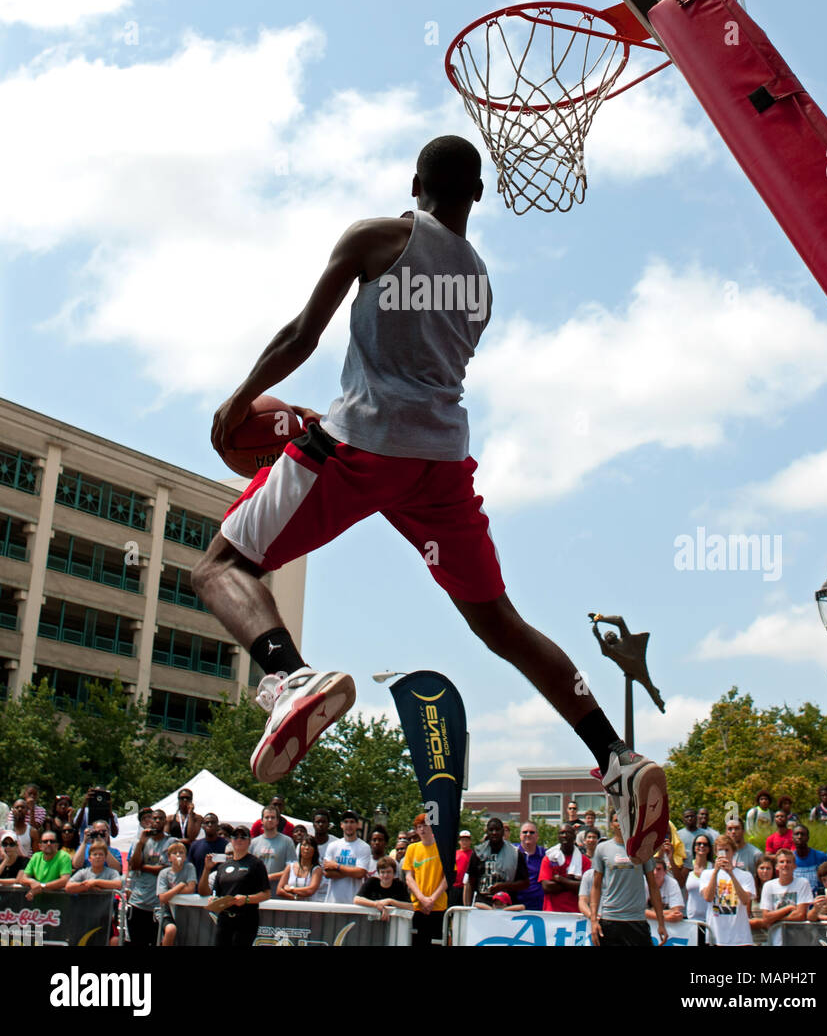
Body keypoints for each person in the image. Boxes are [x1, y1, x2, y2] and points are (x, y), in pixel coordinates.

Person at [195, 137, 669, 863]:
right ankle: (616, 762)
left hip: (360, 446)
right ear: (475, 195)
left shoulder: (377, 236)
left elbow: (301, 335)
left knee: (222, 566)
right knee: (501, 625)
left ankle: (288, 675)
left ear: (415, 184)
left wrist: (236, 406)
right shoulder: (480, 285)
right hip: (440, 464)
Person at [591, 810, 667, 948]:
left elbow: (653, 886)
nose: (620, 824)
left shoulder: (643, 849)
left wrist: (661, 923)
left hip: (636, 920)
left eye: (624, 820)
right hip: (610, 919)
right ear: (611, 824)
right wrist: (593, 921)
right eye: (616, 820)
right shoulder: (602, 849)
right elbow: (596, 886)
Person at [199, 825, 270, 947]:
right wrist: (214, 899)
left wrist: (246, 899)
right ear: (231, 840)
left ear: (249, 841)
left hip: (246, 919)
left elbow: (266, 894)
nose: (239, 840)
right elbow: (216, 892)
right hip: (225, 918)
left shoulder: (256, 864)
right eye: (235, 837)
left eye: (243, 837)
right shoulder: (223, 866)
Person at [126, 808, 172, 947]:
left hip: (157, 905)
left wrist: (143, 866)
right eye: (154, 818)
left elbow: (165, 869)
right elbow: (133, 865)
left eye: (160, 818)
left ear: (165, 821)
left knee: (154, 941)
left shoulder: (170, 841)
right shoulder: (140, 841)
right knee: (136, 942)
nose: (157, 821)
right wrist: (141, 843)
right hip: (138, 900)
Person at [402, 813, 448, 947]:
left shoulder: (443, 848)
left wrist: (431, 899)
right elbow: (409, 877)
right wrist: (422, 899)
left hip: (438, 906)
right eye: (419, 826)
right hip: (418, 907)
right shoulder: (412, 848)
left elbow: (447, 878)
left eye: (425, 825)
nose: (422, 829)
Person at [700, 835, 755, 946]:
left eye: (727, 850)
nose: (724, 854)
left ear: (733, 852)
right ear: (716, 852)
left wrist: (731, 874)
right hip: (716, 936)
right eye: (720, 850)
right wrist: (715, 872)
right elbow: (708, 897)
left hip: (740, 937)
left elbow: (745, 900)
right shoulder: (707, 874)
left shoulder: (745, 875)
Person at [464, 816, 529, 907]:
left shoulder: (515, 853)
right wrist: (467, 907)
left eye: (497, 830)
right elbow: (470, 882)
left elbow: (525, 883)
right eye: (491, 830)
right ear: (487, 832)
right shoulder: (478, 852)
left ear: (503, 831)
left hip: (506, 905)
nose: (494, 833)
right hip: (482, 905)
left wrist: (504, 886)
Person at [759, 849, 812, 944]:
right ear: (776, 866)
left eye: (789, 862)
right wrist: (788, 909)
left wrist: (775, 920)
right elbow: (766, 917)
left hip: (798, 940)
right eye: (782, 862)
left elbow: (800, 915)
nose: (785, 865)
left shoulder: (802, 883)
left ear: (794, 866)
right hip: (776, 941)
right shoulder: (768, 886)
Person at [322, 811, 373, 904]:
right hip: (332, 902)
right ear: (341, 825)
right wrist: (352, 872)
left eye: (352, 822)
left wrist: (337, 866)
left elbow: (360, 873)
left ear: (357, 825)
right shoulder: (333, 845)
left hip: (353, 902)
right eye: (346, 822)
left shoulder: (364, 847)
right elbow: (327, 873)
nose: (349, 825)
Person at [156, 841, 197, 946]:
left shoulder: (190, 868)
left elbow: (191, 889)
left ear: (185, 856)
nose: (178, 855)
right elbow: (163, 897)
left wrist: (171, 891)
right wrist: (180, 885)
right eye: (175, 853)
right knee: (171, 930)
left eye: (181, 852)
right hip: (166, 912)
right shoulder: (164, 873)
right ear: (169, 858)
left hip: (185, 911)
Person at [539, 824, 586, 913]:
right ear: (558, 837)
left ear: (574, 836)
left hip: (576, 914)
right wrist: (571, 882)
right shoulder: (549, 858)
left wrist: (559, 879)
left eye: (568, 833)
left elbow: (584, 888)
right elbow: (547, 887)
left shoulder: (585, 861)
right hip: (552, 913)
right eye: (561, 833)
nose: (564, 835)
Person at [251, 805, 296, 896]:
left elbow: (292, 869)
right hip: (258, 894)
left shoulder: (287, 842)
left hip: (279, 894)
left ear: (277, 821)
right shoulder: (253, 843)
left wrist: (270, 877)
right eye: (267, 817)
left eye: (273, 817)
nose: (270, 820)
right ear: (262, 821)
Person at [355, 855, 413, 921]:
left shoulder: (400, 885)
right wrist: (376, 904)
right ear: (378, 873)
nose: (385, 875)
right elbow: (357, 899)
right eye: (382, 872)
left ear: (394, 873)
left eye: (388, 872)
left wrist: (390, 901)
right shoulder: (371, 882)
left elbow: (411, 906)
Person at [22, 829, 72, 899]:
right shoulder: (36, 856)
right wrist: (32, 882)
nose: (49, 844)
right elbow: (23, 878)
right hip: (38, 904)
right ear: (40, 846)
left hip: (58, 904)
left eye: (52, 841)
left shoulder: (64, 856)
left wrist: (42, 886)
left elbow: (64, 880)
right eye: (45, 841)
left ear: (57, 845)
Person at [685, 833, 714, 944]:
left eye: (705, 844)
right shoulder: (688, 868)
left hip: (710, 921)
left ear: (709, 848)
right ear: (694, 847)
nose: (702, 846)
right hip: (692, 921)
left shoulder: (713, 867)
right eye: (698, 844)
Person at [276, 837, 324, 902]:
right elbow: (279, 890)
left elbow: (311, 890)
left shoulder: (317, 870)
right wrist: (294, 897)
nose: (307, 848)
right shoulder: (290, 867)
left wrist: (291, 889)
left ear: (314, 850)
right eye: (304, 845)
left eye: (310, 845)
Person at [791, 824, 827, 897]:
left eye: (802, 834)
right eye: (797, 834)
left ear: (808, 838)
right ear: (792, 838)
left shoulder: (821, 857)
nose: (799, 836)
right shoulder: (789, 859)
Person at [517, 821, 547, 911]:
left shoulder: (545, 854)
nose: (528, 834)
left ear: (537, 836)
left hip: (539, 906)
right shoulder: (512, 852)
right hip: (516, 905)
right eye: (525, 832)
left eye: (532, 832)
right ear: (520, 835)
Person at [188, 813, 227, 879]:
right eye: (207, 822)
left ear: (217, 825)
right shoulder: (195, 846)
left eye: (213, 822)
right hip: (199, 887)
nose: (210, 825)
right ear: (202, 826)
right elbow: (190, 869)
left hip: (220, 886)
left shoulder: (226, 845)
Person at [645, 858, 684, 924]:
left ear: (665, 872)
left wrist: (650, 912)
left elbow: (676, 911)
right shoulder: (642, 882)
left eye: (658, 869)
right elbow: (637, 911)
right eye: (652, 869)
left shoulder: (672, 883)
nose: (655, 872)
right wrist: (664, 918)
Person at [748, 854, 775, 946]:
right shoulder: (751, 890)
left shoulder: (778, 889)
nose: (765, 871)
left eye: (768, 868)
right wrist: (763, 922)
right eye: (762, 868)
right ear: (757, 870)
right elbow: (745, 918)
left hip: (774, 938)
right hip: (756, 939)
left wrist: (760, 922)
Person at [453, 829, 474, 906]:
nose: (464, 842)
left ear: (470, 841)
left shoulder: (473, 854)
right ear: (459, 842)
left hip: (467, 887)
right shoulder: (455, 854)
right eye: (462, 840)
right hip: (455, 886)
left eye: (466, 840)